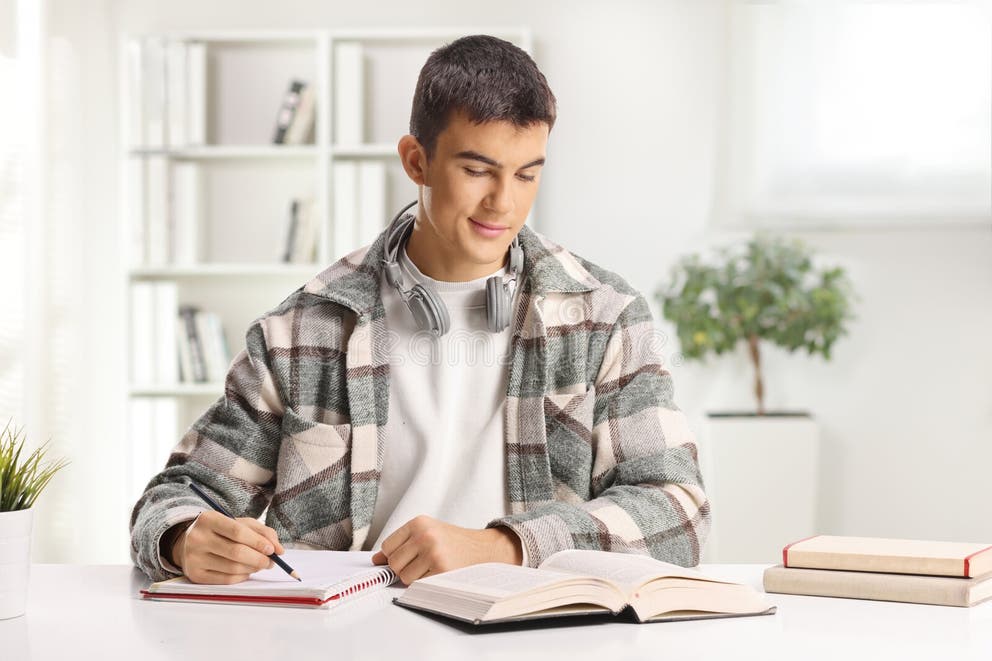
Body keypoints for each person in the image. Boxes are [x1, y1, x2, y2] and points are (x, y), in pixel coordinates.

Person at [130, 34, 710, 586]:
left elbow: (678, 511)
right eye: (477, 170)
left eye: (527, 173)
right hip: (348, 639)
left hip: (532, 637)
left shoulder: (605, 319)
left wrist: (506, 548)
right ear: (416, 161)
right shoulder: (301, 330)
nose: (503, 203)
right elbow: (178, 495)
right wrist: (184, 537)